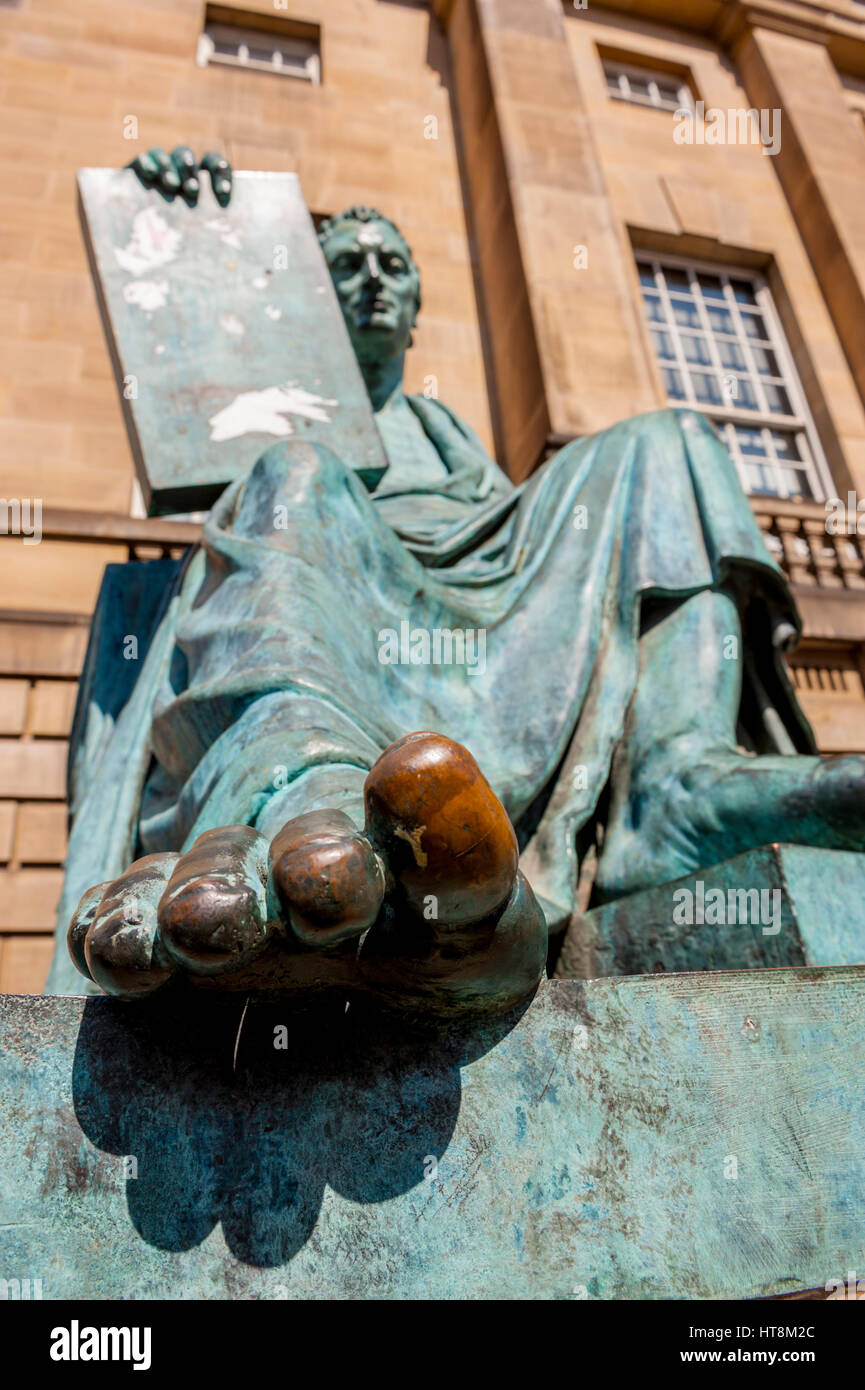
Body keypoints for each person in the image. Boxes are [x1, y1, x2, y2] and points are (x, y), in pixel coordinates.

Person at [49, 147, 865, 1012]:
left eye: (391, 265)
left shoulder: (443, 430)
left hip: (485, 593)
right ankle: (307, 792)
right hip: (341, 601)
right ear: (310, 301)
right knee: (291, 472)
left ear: (413, 311)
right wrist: (185, 215)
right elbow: (195, 334)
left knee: (667, 437)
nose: (372, 280)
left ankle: (674, 782)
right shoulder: (272, 421)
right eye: (345, 265)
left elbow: (511, 539)